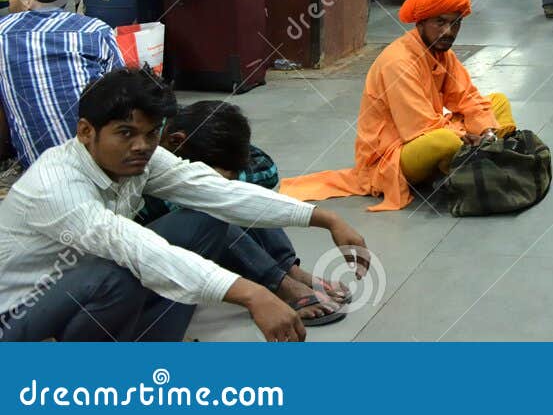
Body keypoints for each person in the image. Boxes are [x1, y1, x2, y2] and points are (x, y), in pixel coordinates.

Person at [0, 67, 370, 342]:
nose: (142, 146)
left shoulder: (140, 159)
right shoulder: (57, 186)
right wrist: (251, 292)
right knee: (121, 271)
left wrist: (325, 218)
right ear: (85, 132)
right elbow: (138, 248)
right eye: (125, 133)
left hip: (75, 293)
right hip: (17, 321)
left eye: (151, 133)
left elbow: (219, 193)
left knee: (205, 222)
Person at [283, 0, 517, 212]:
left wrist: (485, 132)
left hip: (430, 130)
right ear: (421, 23)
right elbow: (420, 128)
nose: (449, 31)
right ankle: (485, 156)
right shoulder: (399, 62)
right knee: (445, 141)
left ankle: (480, 154)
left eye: (455, 23)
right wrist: (470, 135)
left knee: (497, 102)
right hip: (392, 155)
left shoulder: (441, 52)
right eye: (440, 22)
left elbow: (467, 97)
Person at [147, 102, 347, 326]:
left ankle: (290, 269)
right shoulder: (145, 152)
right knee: (210, 207)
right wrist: (218, 186)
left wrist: (224, 183)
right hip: (139, 246)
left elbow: (266, 169)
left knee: (236, 195)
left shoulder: (189, 122)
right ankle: (277, 283)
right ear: (175, 142)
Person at [0, 0, 118, 167]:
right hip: (108, 156)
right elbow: (123, 88)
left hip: (41, 167)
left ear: (28, 0)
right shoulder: (96, 29)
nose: (10, 2)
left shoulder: (3, 31)